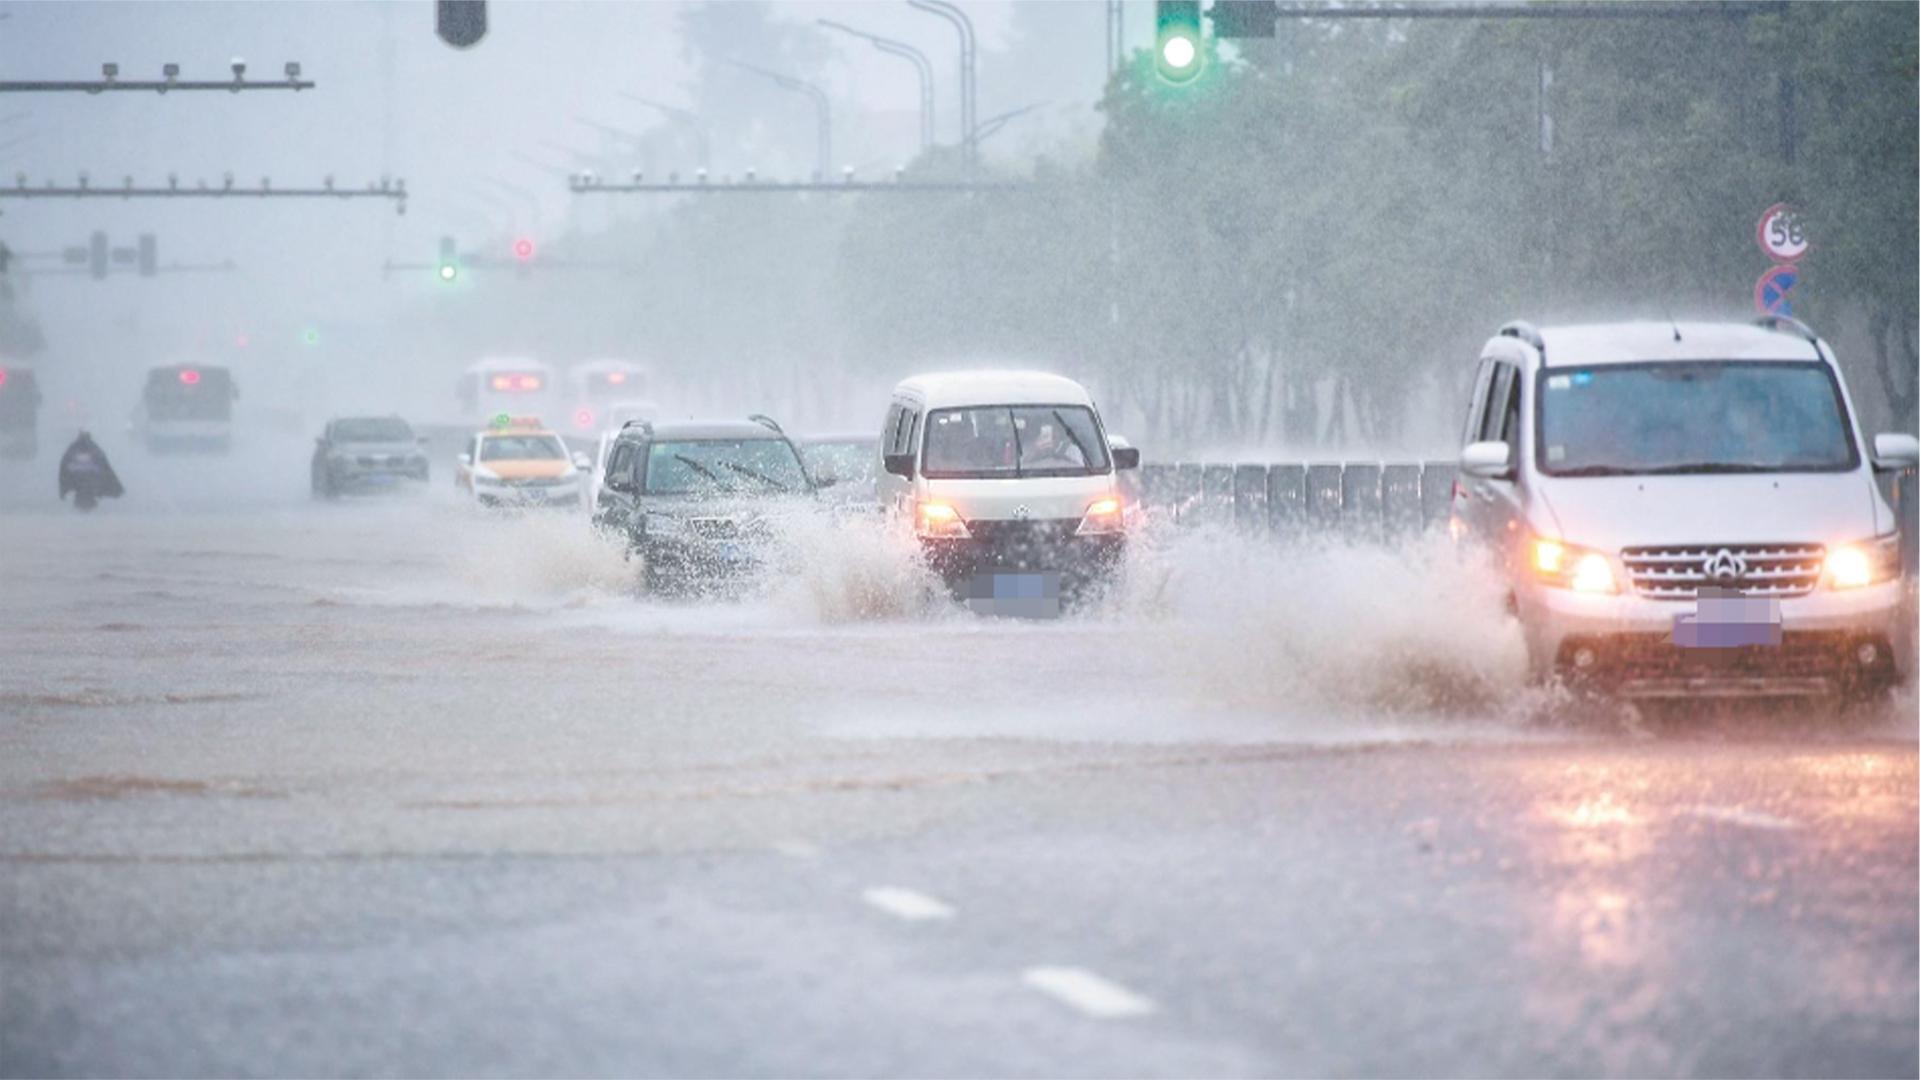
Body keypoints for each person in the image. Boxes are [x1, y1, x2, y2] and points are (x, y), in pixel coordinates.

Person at [58, 431, 125, 506]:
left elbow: (64, 467)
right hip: (88, 479)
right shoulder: (94, 448)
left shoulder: (73, 448)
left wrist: (63, 491)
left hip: (82, 479)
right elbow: (105, 466)